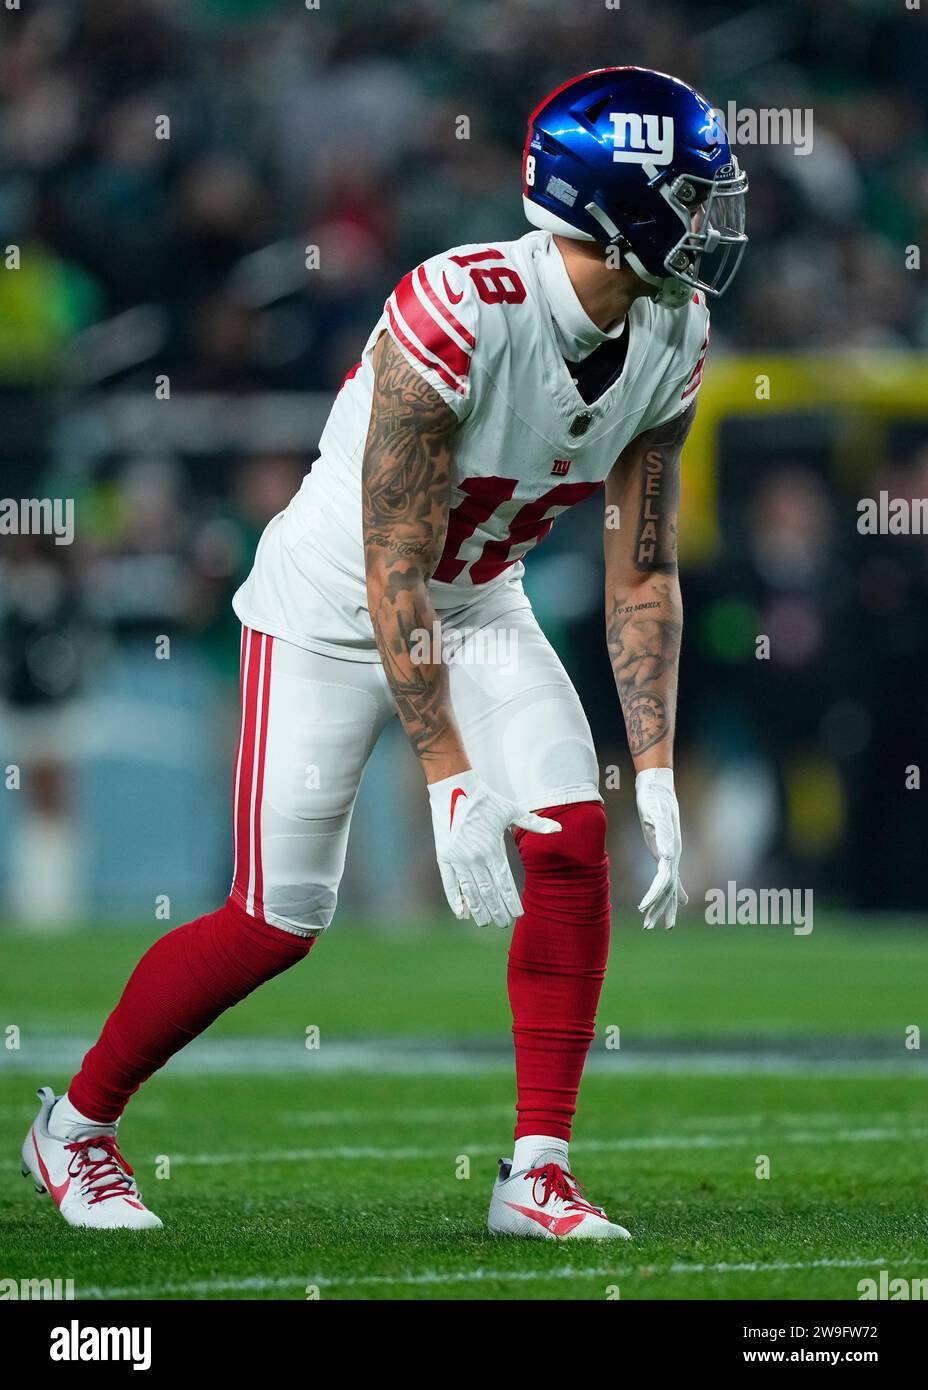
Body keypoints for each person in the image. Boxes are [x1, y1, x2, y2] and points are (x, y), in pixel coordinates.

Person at [22, 67, 748, 1237]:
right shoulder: (457, 308)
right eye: (691, 194)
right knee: (275, 922)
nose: (714, 219)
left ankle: (536, 1171)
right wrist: (449, 774)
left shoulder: (674, 326)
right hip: (330, 609)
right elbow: (388, 564)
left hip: (477, 600)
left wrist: (654, 763)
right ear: (619, 201)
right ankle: (74, 1127)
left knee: (569, 833)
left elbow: (643, 562)